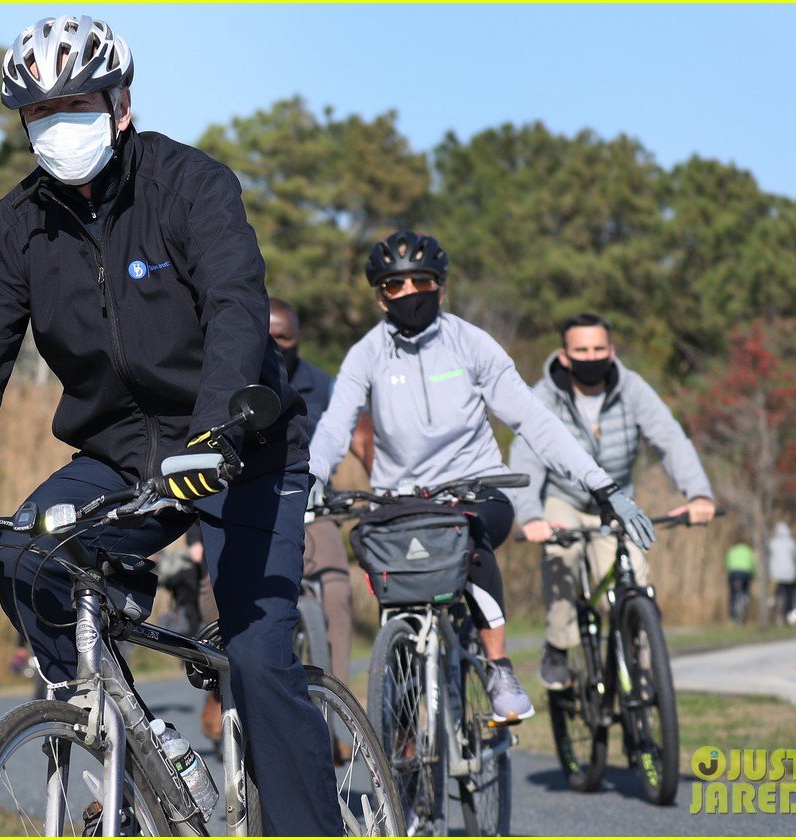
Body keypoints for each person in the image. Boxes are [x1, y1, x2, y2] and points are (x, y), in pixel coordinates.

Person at [0, 16, 340, 834]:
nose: (59, 125)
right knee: (22, 551)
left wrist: (215, 434)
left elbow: (237, 309)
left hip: (241, 446)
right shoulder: (19, 224)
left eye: (76, 104)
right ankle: (121, 730)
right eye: (40, 112)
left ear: (120, 103)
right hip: (122, 455)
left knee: (260, 661)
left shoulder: (191, 185)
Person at [307, 230, 656, 723]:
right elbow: (335, 424)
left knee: (468, 534)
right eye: (394, 287)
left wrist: (602, 485)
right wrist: (315, 474)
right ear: (380, 298)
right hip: (400, 500)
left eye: (420, 282)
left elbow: (534, 421)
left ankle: (499, 669)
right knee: (382, 557)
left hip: (476, 489)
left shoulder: (470, 344)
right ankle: (402, 706)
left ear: (441, 288)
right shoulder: (367, 354)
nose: (409, 295)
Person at [509, 313, 716, 690]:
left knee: (634, 577)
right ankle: (559, 645)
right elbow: (526, 457)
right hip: (564, 499)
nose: (591, 356)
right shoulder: (544, 396)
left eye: (599, 348)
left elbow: (670, 440)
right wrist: (531, 516)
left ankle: (643, 671)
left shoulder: (631, 389)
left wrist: (698, 494)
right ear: (565, 355)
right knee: (562, 558)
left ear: (612, 351)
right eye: (582, 350)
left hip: (618, 504)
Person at [193, 298, 363, 751]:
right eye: (267, 336)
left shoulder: (323, 386)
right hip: (236, 506)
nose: (274, 344)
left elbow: (351, 434)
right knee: (212, 587)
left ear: (298, 339)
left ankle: (336, 709)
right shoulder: (222, 374)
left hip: (308, 505)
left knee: (338, 591)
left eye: (284, 337)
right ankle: (219, 683)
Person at [769, 522, 796, 624]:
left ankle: (776, 609)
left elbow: (768, 557)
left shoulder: (772, 543)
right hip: (790, 574)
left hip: (776, 574)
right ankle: (788, 614)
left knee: (778, 592)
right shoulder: (792, 543)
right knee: (790, 594)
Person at [724, 540, 757, 624]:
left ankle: (732, 616)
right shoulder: (748, 550)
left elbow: (726, 563)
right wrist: (755, 574)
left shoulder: (732, 550)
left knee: (734, 594)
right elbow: (753, 564)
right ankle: (745, 598)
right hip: (746, 574)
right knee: (745, 589)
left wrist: (728, 571)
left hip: (734, 573)